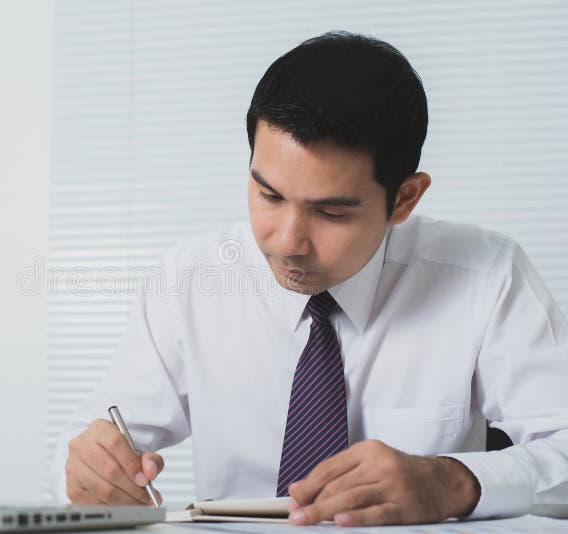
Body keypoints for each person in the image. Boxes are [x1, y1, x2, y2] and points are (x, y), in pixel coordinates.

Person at [50, 31, 568, 526]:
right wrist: (88, 473)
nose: (287, 242)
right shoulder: (189, 281)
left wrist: (449, 482)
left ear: (404, 199)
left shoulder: (485, 277)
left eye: (331, 213)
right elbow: (90, 446)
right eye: (269, 195)